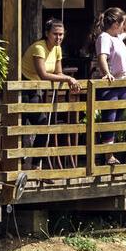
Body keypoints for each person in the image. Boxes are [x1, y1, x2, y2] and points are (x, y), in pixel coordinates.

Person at [26, 17, 78, 154]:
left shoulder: (57, 49)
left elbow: (58, 72)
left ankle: (36, 165)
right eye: (55, 34)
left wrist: (69, 79)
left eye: (61, 34)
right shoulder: (39, 48)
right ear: (47, 33)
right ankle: (25, 164)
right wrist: (68, 78)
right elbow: (43, 74)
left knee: (45, 126)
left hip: (37, 90)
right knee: (36, 125)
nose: (58, 37)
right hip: (24, 89)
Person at [91, 7, 126, 165]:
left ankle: (108, 152)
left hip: (123, 82)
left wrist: (125, 18)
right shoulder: (105, 37)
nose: (123, 26)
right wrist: (106, 73)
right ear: (115, 24)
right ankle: (108, 156)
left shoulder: (118, 37)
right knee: (110, 118)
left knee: (117, 119)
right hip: (111, 83)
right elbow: (102, 56)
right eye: (121, 23)